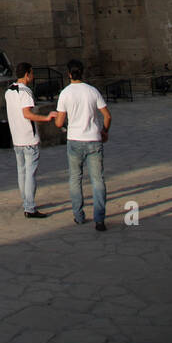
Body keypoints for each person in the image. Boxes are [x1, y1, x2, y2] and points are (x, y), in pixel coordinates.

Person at [52, 59, 111, 231]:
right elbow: (107, 116)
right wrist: (104, 131)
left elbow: (59, 122)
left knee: (75, 179)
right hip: (93, 139)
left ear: (69, 74)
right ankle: (99, 219)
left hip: (74, 140)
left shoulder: (65, 93)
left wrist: (59, 121)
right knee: (98, 180)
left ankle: (78, 216)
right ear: (82, 72)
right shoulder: (92, 91)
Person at [4, 62, 55, 218]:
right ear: (27, 74)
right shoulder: (25, 92)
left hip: (17, 138)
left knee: (22, 172)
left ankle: (26, 202)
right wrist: (46, 118)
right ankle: (30, 207)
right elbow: (27, 113)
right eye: (32, 73)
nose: (33, 77)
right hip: (28, 138)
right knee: (30, 174)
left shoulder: (8, 91)